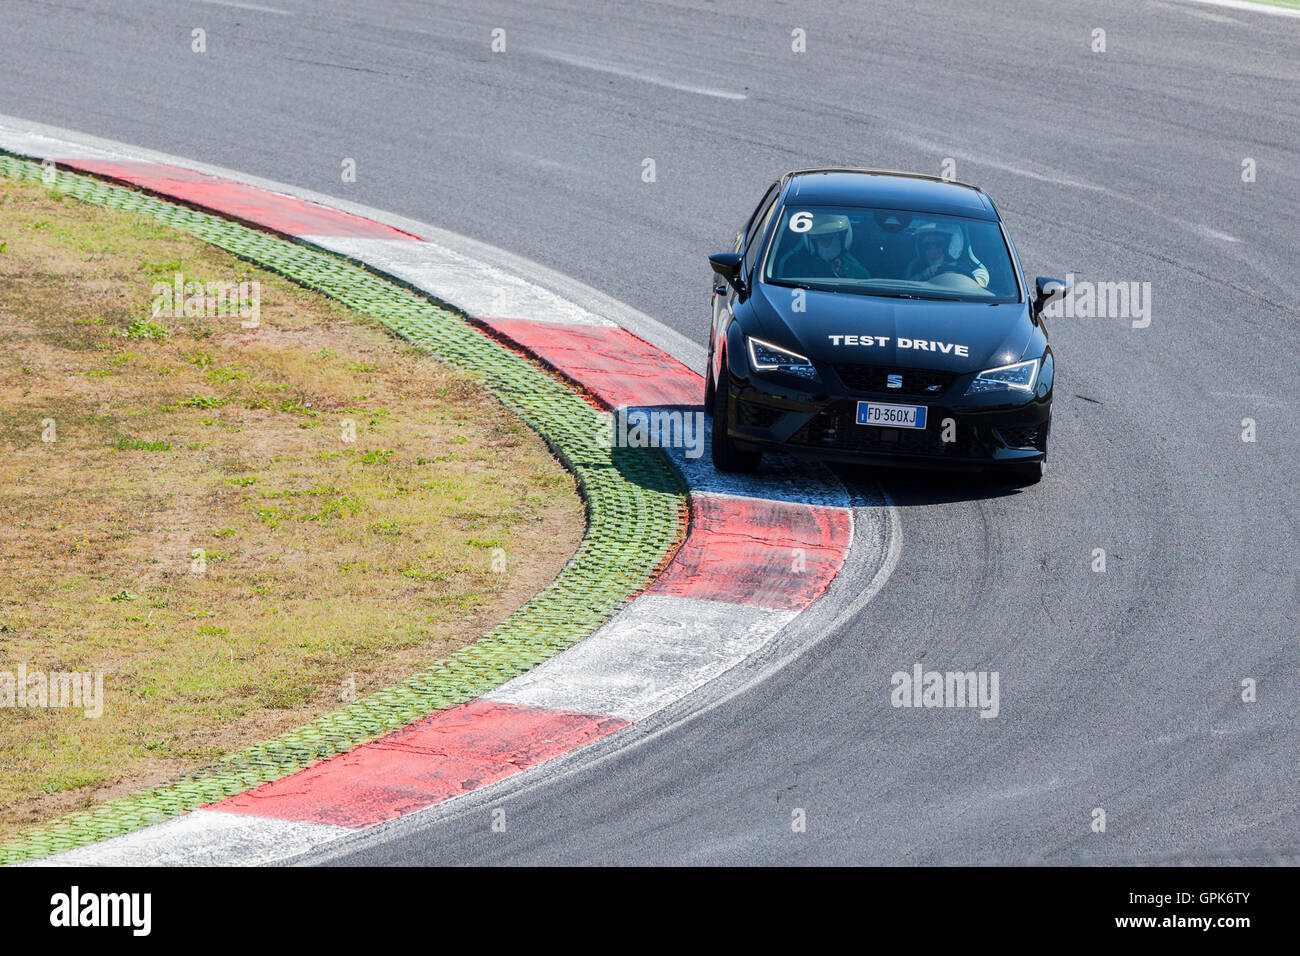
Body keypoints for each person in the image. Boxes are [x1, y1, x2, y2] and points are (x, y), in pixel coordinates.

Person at [778, 213, 871, 280]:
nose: (826, 244)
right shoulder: (796, 272)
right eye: (820, 238)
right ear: (810, 240)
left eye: (832, 237)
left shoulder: (859, 273)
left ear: (843, 238)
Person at [905, 222, 990, 287]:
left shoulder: (973, 268)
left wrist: (952, 274)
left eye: (938, 244)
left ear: (952, 245)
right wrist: (923, 276)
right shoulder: (915, 267)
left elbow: (981, 285)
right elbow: (907, 288)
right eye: (926, 245)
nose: (932, 250)